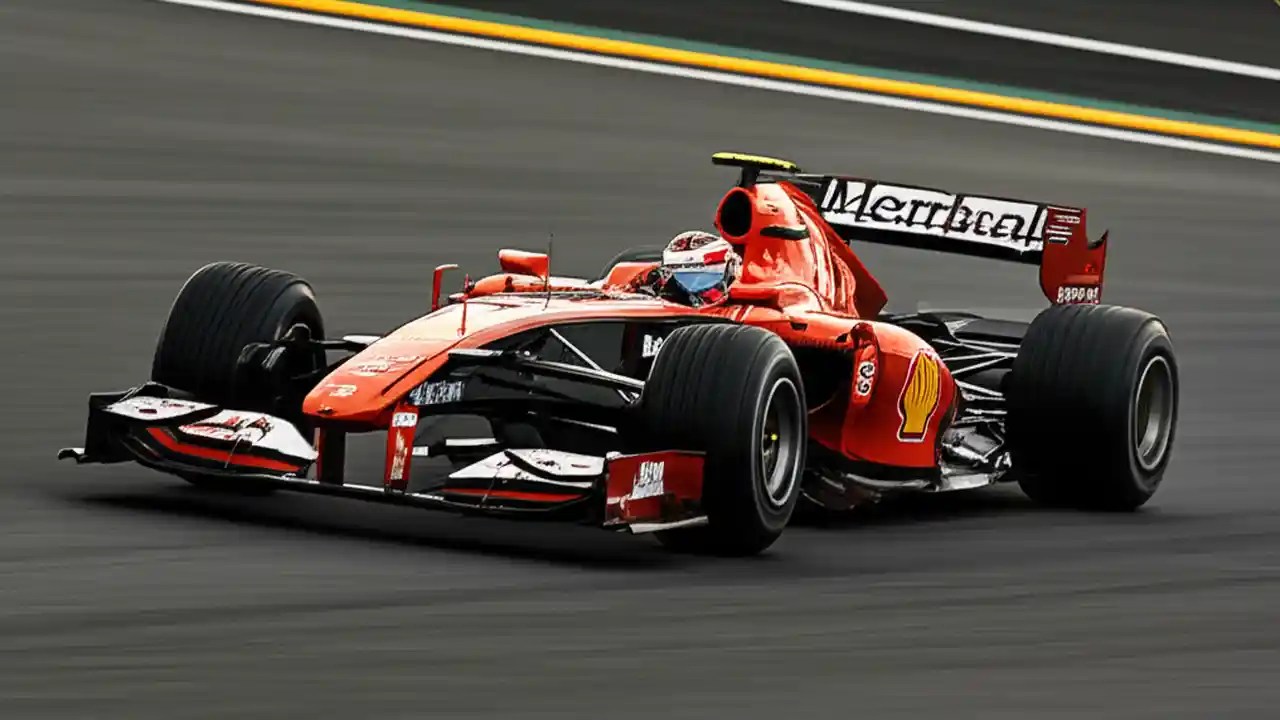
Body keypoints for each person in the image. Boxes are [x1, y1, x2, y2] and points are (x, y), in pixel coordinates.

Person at [629, 231, 741, 307]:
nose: (693, 283)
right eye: (679, 270)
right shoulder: (658, 284)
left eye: (700, 271)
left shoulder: (742, 290)